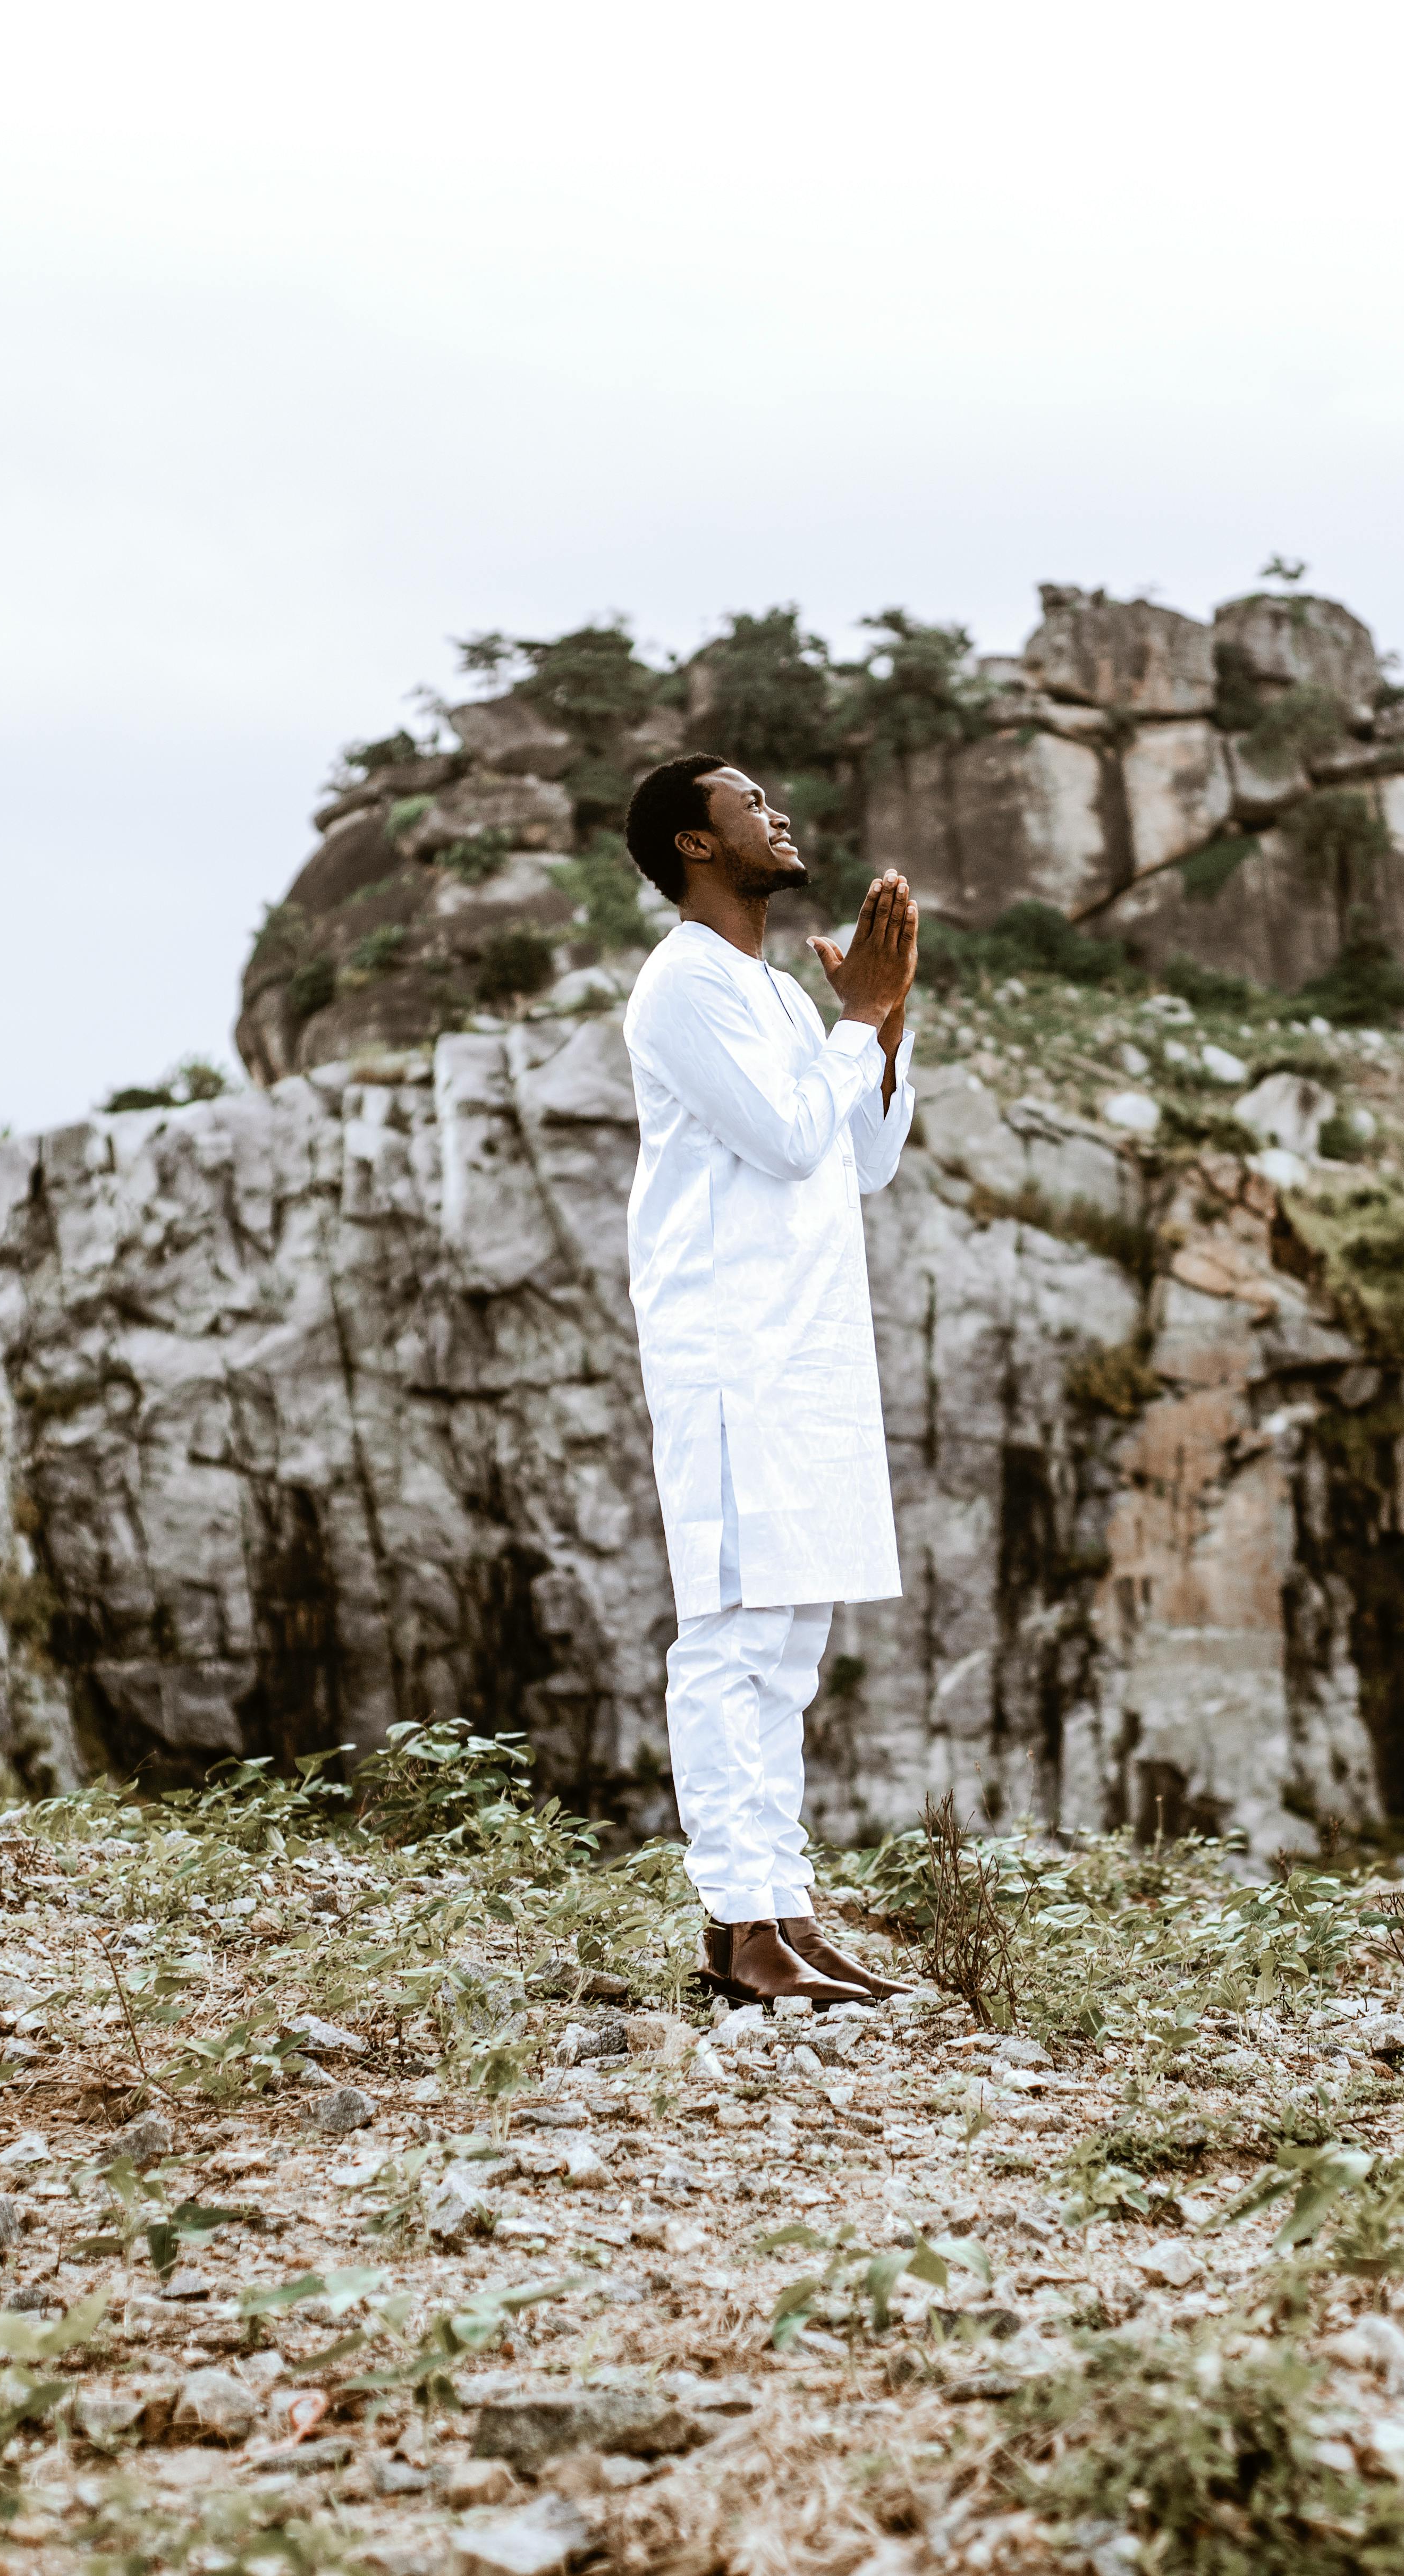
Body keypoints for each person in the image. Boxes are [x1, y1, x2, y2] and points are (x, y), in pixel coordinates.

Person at [621, 753, 918, 2007]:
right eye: (747, 801)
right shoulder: (682, 985)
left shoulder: (776, 998)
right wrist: (858, 1023)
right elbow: (788, 1134)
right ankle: (738, 1921)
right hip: (729, 1349)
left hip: (805, 1350)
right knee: (734, 1635)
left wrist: (881, 1025)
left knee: (792, 1640)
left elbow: (861, 1160)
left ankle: (784, 1908)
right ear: (696, 845)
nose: (777, 812)